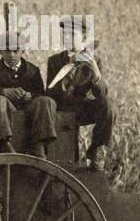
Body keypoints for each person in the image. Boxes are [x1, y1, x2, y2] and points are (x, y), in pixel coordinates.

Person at [46, 18, 115, 171]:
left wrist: (96, 73)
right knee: (69, 160)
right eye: (65, 35)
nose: (67, 38)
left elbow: (102, 95)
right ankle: (71, 164)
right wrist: (65, 79)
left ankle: (97, 151)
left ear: (84, 37)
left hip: (81, 109)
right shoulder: (55, 61)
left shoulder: (94, 60)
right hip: (61, 108)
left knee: (108, 106)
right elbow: (49, 94)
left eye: (72, 35)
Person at [0, 38, 57, 156]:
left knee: (46, 101)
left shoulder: (32, 70)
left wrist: (30, 95)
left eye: (15, 51)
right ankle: (5, 143)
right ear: (1, 51)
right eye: (7, 51)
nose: (11, 55)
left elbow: (40, 93)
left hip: (28, 112)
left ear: (23, 50)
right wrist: (2, 91)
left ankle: (39, 145)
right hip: (4, 112)